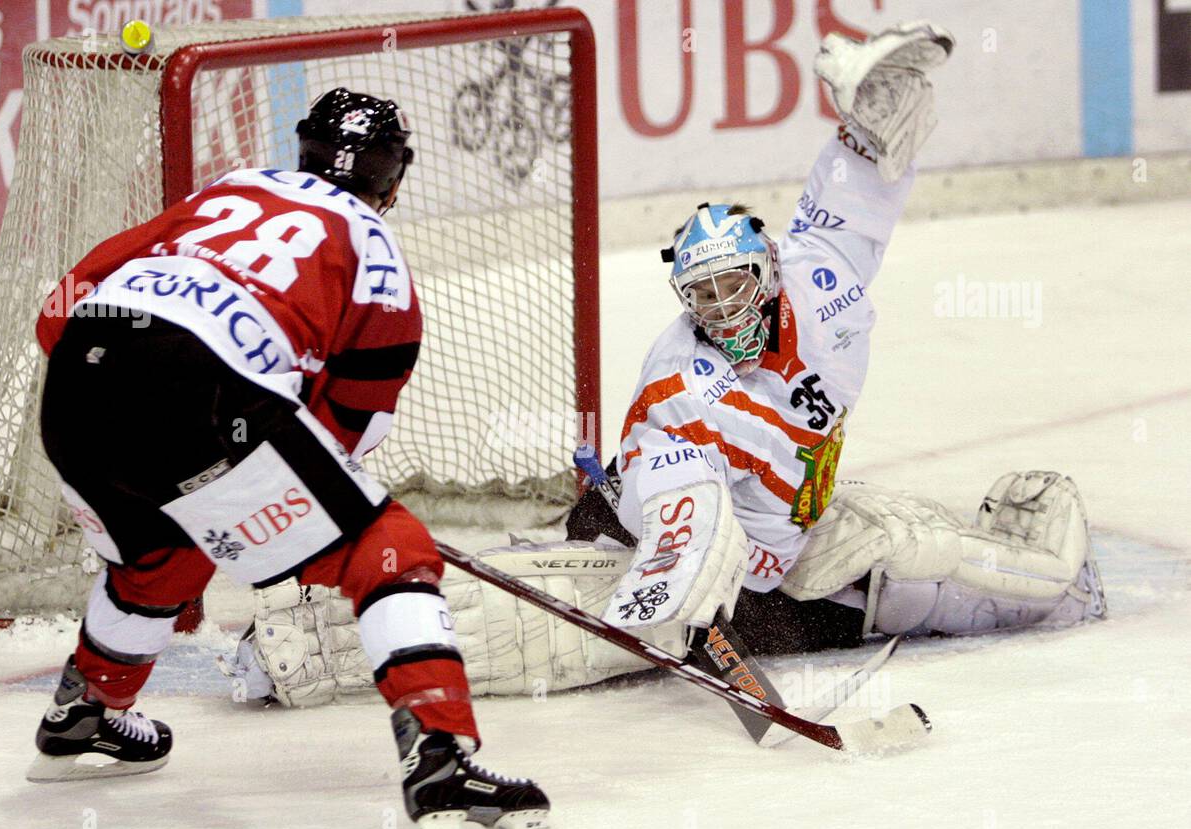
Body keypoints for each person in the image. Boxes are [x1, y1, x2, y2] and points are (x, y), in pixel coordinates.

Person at [227, 23, 1104, 707]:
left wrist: (883, 99)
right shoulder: (680, 383)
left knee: (974, 567)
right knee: (540, 635)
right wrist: (676, 594)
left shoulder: (823, 284)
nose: (722, 313)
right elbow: (677, 504)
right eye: (703, 298)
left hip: (793, 536)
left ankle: (1057, 589)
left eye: (735, 289)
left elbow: (864, 188)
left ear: (769, 275)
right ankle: (298, 648)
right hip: (646, 546)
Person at [28, 87, 555, 829]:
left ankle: (86, 716)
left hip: (78, 382)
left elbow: (62, 303)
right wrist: (318, 529)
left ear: (301, 151)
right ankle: (444, 768)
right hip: (202, 387)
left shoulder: (230, 189)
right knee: (390, 548)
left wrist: (134, 392)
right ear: (394, 183)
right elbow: (343, 438)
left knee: (161, 559)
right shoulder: (379, 259)